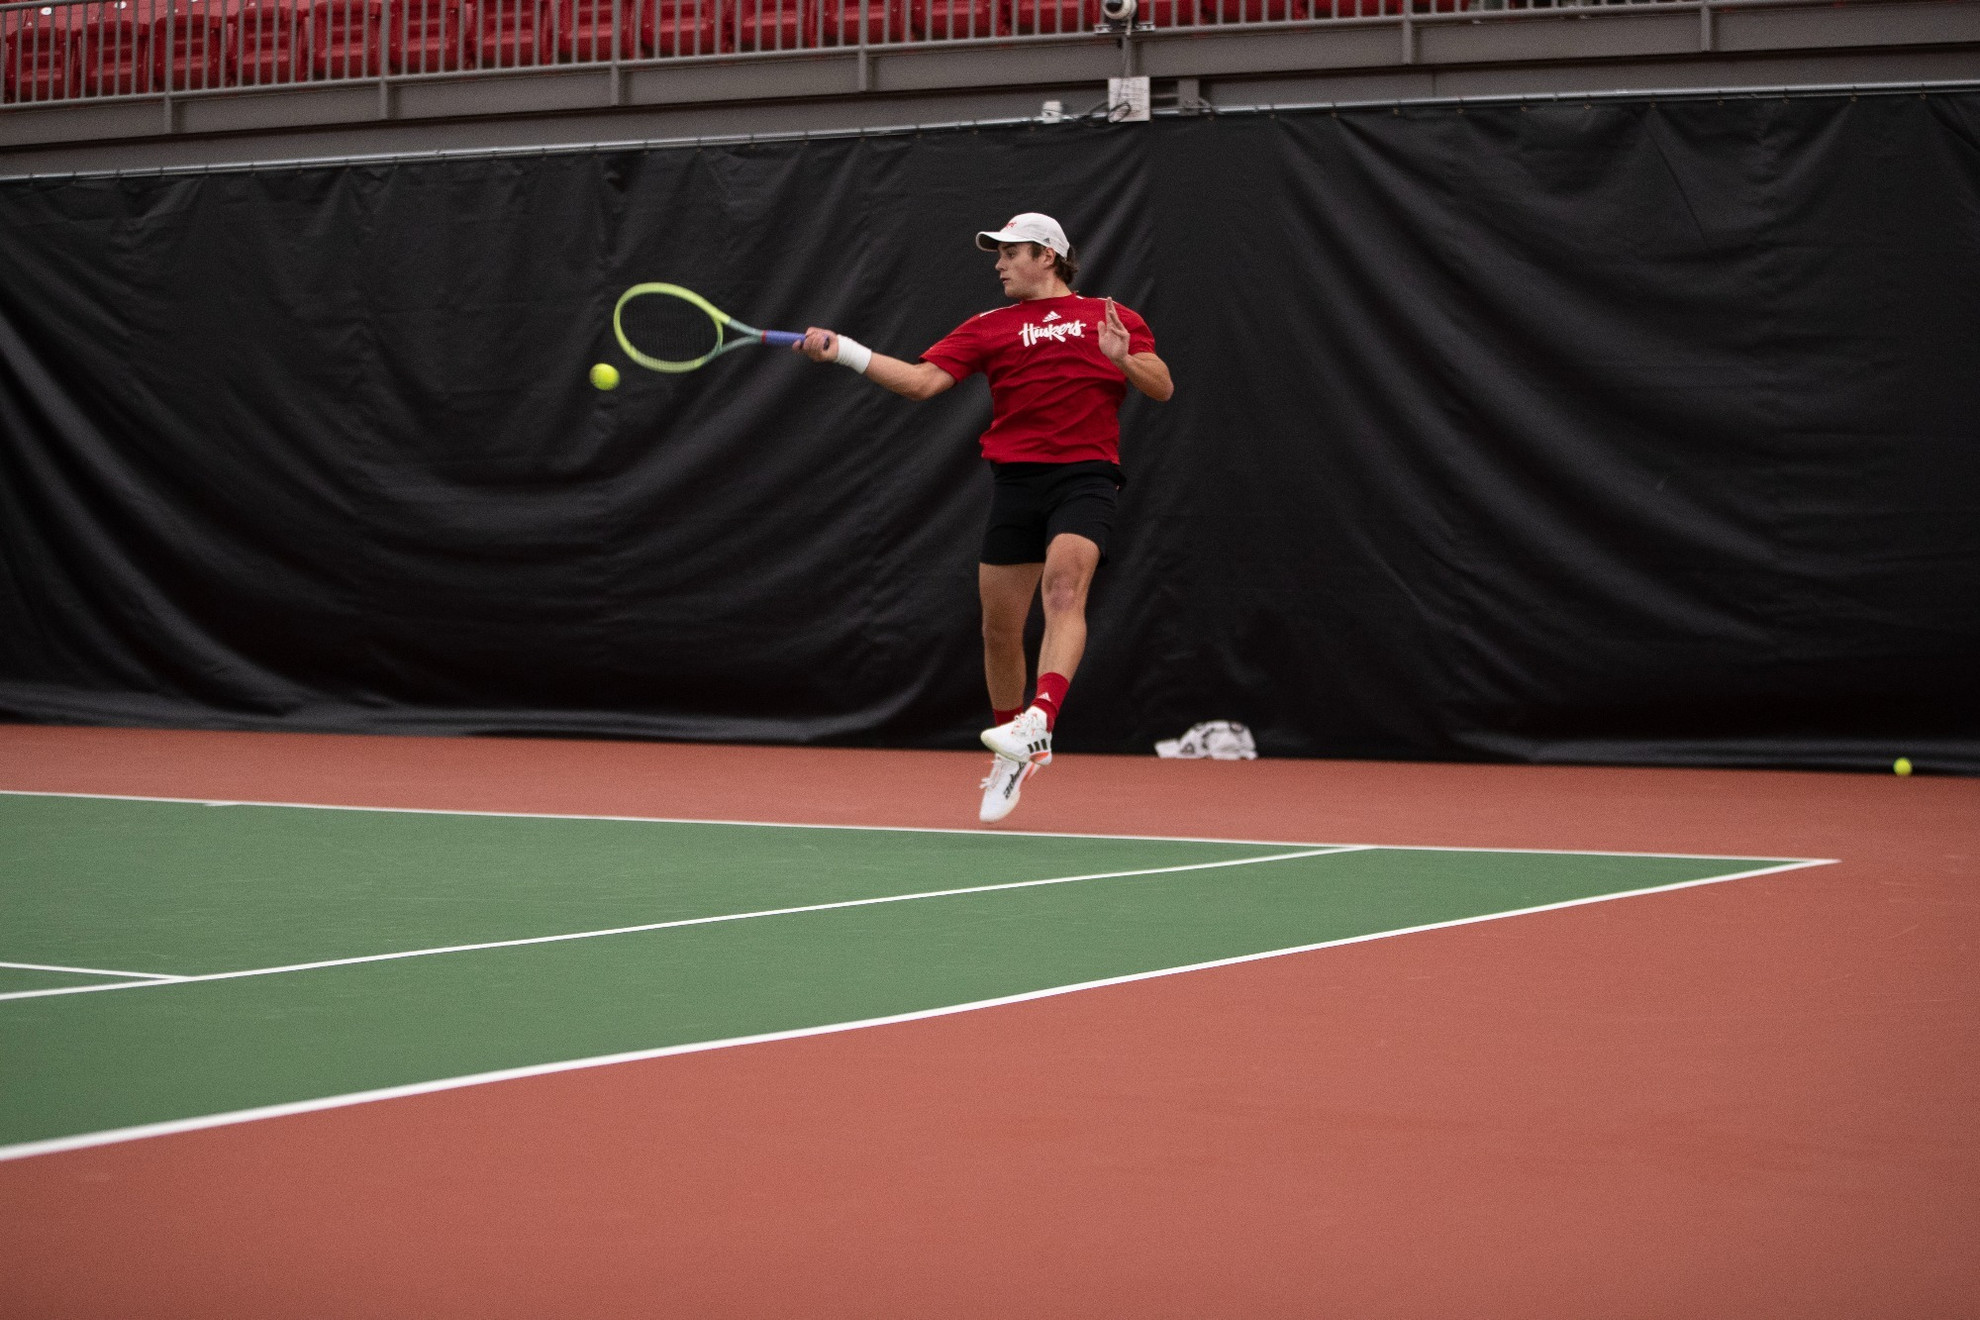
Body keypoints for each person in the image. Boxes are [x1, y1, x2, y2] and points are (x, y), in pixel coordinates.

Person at [796, 212, 1173, 823]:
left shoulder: (1110, 316)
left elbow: (1161, 386)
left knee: (1064, 591)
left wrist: (1123, 357)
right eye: (996, 254)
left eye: (1009, 252)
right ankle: (1012, 754)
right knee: (1000, 630)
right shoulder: (987, 326)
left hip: (1085, 476)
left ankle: (1040, 719)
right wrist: (845, 351)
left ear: (1046, 256)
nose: (998, 264)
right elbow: (921, 383)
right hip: (1016, 483)